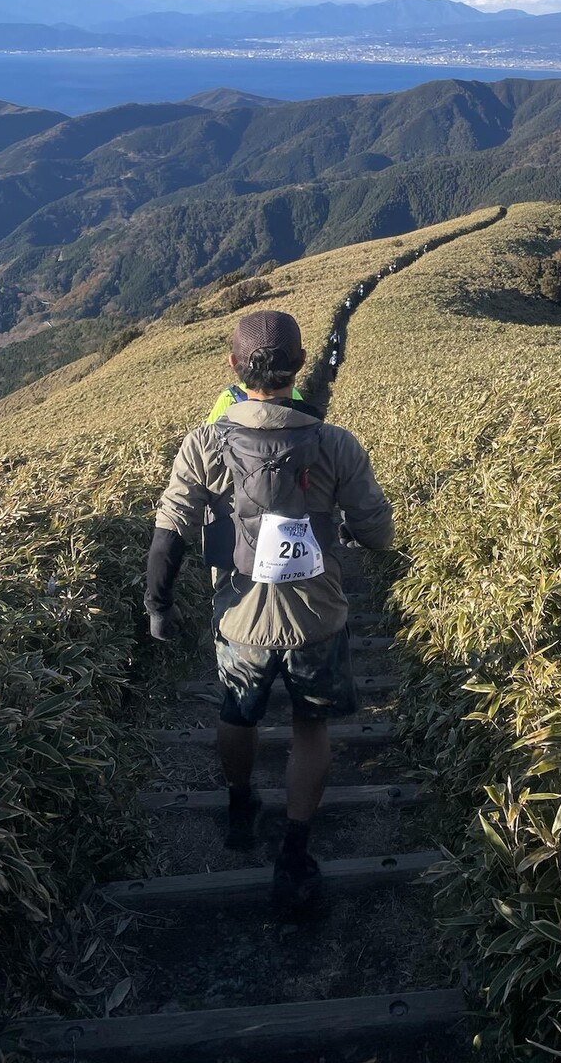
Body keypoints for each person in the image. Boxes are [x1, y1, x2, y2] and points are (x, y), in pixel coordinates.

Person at [144, 309, 394, 911]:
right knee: (311, 725)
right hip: (317, 616)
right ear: (300, 368)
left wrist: (158, 604)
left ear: (234, 367)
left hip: (239, 615)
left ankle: (239, 807)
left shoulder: (206, 440)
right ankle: (296, 848)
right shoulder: (334, 443)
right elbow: (379, 534)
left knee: (238, 711)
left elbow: (170, 527)